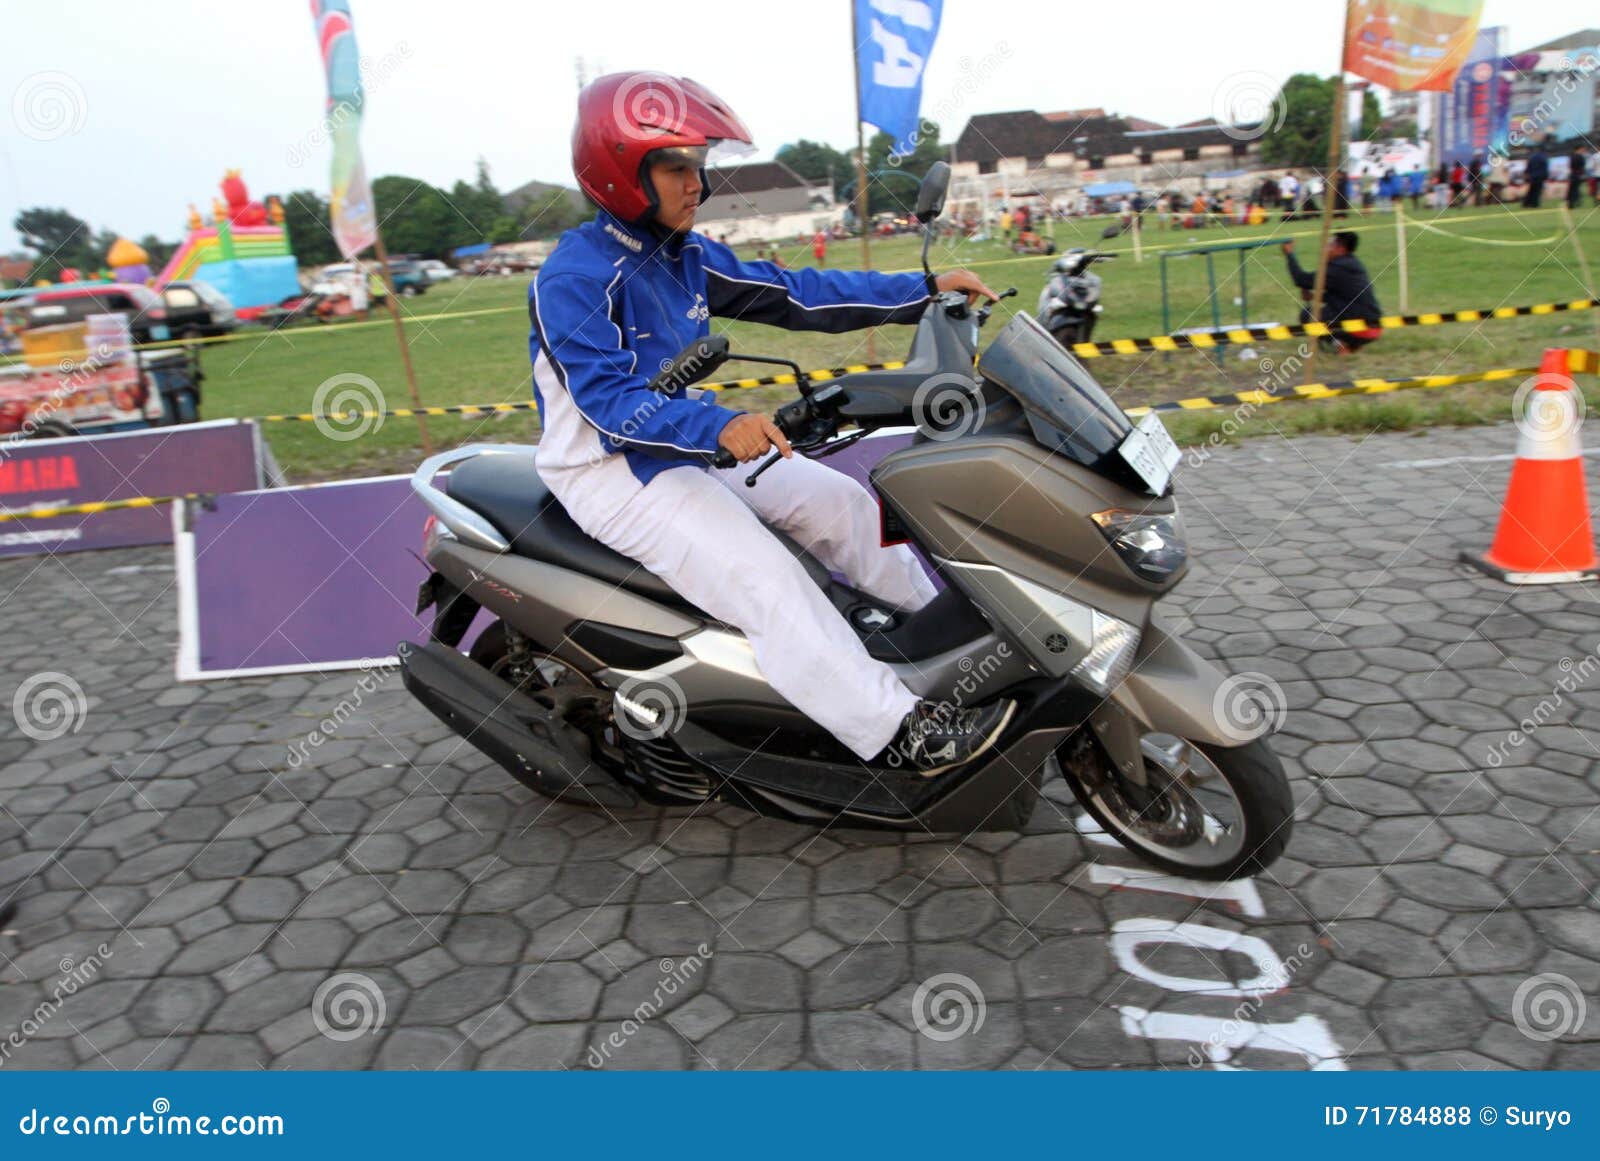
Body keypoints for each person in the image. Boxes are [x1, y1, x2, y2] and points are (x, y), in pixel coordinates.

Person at [528, 72, 1014, 774]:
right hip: (613, 472)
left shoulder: (682, 254)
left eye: (699, 167)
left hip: (684, 441)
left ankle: (939, 651)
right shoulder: (573, 278)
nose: (697, 184)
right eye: (676, 167)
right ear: (619, 173)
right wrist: (720, 428)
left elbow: (795, 293)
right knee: (767, 580)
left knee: (845, 504)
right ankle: (899, 734)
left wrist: (923, 293)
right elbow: (608, 405)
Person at [1282, 231, 1382, 353]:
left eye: (1330, 245)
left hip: (1361, 329)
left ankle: (1341, 344)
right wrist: (1314, 296)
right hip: (1375, 327)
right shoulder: (1352, 263)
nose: (1326, 249)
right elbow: (1341, 296)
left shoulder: (1338, 267)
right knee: (1324, 313)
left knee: (1307, 315)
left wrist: (1289, 254)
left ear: (1340, 248)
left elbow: (1301, 279)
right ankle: (1352, 344)